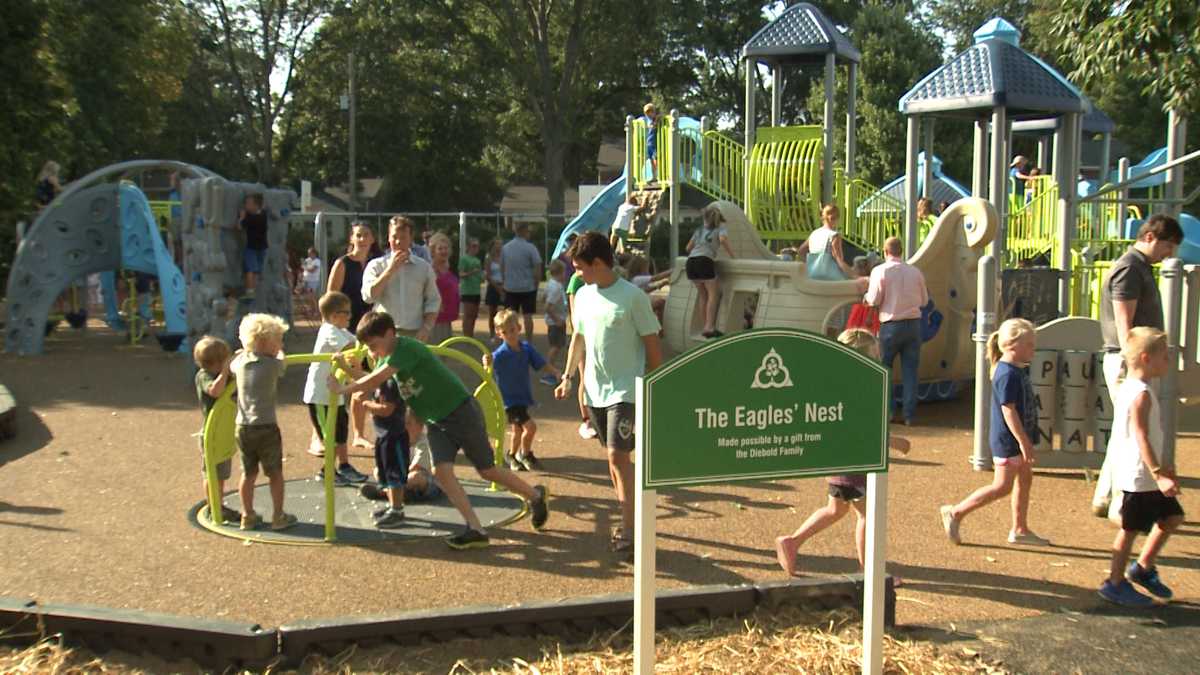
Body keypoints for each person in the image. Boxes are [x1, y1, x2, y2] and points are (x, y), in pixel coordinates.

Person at [335, 311, 550, 549]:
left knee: (487, 470)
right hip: (437, 420)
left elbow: (374, 380)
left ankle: (535, 496)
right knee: (442, 473)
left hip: (460, 412)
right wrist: (346, 370)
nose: (372, 352)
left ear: (389, 334)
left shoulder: (406, 349)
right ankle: (475, 529)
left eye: (374, 346)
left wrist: (342, 390)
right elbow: (375, 379)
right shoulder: (388, 360)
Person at [555, 232, 662, 556]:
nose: (577, 274)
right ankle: (629, 516)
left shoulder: (633, 297)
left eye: (580, 268)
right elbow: (579, 338)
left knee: (618, 456)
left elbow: (653, 348)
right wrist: (568, 377)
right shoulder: (585, 295)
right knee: (613, 460)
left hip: (627, 390)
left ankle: (629, 528)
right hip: (596, 392)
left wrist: (658, 390)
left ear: (599, 263)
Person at [775, 329, 910, 576]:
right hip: (854, 464)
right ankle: (868, 570)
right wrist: (894, 441)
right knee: (869, 515)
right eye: (875, 354)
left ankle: (792, 541)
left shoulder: (836, 383)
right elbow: (861, 427)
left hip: (839, 462)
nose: (879, 358)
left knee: (835, 510)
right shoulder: (859, 387)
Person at [1093, 214, 1183, 517]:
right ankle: (1118, 500)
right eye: (1167, 246)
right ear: (1150, 237)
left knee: (1125, 429)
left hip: (1132, 360)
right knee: (1131, 430)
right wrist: (1133, 365)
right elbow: (1123, 319)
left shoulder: (1138, 267)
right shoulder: (1131, 267)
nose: (1168, 253)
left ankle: (1105, 495)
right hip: (1128, 360)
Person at [940, 319, 1048, 546]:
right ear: (1011, 345)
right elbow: (1009, 411)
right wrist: (1023, 441)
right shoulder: (1007, 374)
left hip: (1019, 437)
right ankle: (956, 512)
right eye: (1029, 345)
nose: (1033, 349)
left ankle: (1020, 528)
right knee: (1002, 486)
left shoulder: (1015, 370)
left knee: (1025, 478)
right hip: (1009, 440)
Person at [1098, 327, 1184, 607]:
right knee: (1130, 529)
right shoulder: (1141, 394)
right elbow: (1141, 434)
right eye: (1165, 357)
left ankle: (1143, 567)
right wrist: (1159, 473)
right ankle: (1114, 581)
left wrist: (1162, 469)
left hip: (1146, 474)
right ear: (1147, 358)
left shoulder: (1137, 389)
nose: (1168, 362)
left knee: (1171, 518)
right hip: (1139, 476)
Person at [229, 313, 296, 531]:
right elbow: (282, 362)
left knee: (248, 473)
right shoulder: (272, 365)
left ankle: (247, 515)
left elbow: (232, 365)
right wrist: (281, 354)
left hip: (243, 426)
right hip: (266, 426)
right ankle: (278, 515)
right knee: (275, 473)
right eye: (278, 340)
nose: (281, 345)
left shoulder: (239, 362)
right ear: (263, 342)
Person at [301, 291, 369, 483]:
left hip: (334, 393)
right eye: (346, 313)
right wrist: (359, 357)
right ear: (333, 316)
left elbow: (358, 344)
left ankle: (344, 465)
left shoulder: (342, 331)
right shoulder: (329, 330)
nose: (350, 316)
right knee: (329, 434)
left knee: (340, 431)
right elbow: (350, 349)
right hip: (320, 395)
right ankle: (326, 471)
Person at [327, 222, 381, 451]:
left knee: (363, 381)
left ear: (372, 239)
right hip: (345, 328)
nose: (362, 239)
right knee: (334, 380)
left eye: (366, 235)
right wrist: (331, 330)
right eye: (358, 235)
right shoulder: (342, 263)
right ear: (352, 238)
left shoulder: (375, 264)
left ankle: (358, 434)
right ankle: (320, 435)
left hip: (367, 328)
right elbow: (331, 297)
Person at [864, 237, 929, 426]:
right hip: (914, 324)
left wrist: (866, 297)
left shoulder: (880, 271)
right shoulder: (915, 272)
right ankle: (909, 415)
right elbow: (924, 301)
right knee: (910, 371)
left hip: (890, 325)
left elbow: (874, 299)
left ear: (885, 251)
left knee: (884, 370)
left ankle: (889, 412)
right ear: (901, 251)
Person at [490, 308, 562, 472]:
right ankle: (525, 454)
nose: (510, 334)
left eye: (512, 330)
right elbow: (487, 369)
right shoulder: (499, 355)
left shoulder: (526, 349)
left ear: (519, 328)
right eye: (505, 332)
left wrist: (556, 372)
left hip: (522, 397)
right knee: (530, 427)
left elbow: (541, 364)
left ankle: (511, 454)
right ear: (499, 333)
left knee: (517, 430)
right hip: (508, 401)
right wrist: (487, 363)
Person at [361, 215, 440, 342]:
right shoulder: (376, 265)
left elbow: (433, 300)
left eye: (403, 237)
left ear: (411, 239)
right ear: (388, 237)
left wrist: (426, 328)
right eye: (394, 237)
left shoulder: (423, 267)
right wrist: (390, 269)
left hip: (414, 332)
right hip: (382, 332)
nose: (398, 242)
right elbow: (369, 297)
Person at [192, 336, 239, 522]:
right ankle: (213, 506)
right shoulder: (204, 375)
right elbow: (215, 391)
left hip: (224, 431)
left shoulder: (227, 375)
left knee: (221, 474)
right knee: (212, 473)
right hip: (211, 433)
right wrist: (225, 372)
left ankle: (218, 503)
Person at [686, 204, 735, 338]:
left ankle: (705, 326)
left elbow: (688, 247)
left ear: (705, 218)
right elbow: (723, 240)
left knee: (703, 294)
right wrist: (732, 256)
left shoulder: (699, 230)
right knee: (714, 294)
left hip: (691, 262)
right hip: (705, 261)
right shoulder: (721, 228)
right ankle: (709, 327)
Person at [565, 269, 597, 440]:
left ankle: (599, 418)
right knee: (585, 377)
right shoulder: (576, 280)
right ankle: (586, 421)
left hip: (600, 334)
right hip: (583, 334)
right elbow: (574, 313)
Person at [501, 222, 542, 339]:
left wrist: (504, 282)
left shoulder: (506, 248)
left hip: (510, 287)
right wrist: (536, 283)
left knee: (509, 317)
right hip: (528, 287)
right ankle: (529, 340)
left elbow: (502, 267)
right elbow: (537, 266)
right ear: (524, 231)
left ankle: (510, 339)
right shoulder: (530, 248)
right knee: (527, 316)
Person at [796, 204, 853, 280]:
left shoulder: (814, 234)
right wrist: (854, 275)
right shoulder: (834, 235)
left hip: (812, 275)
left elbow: (800, 251)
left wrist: (808, 266)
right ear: (835, 218)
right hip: (831, 278)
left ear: (823, 218)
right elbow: (839, 261)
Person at [429, 232, 459, 344]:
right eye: (440, 248)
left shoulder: (448, 267)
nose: (444, 251)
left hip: (447, 318)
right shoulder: (431, 270)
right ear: (433, 251)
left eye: (446, 248)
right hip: (435, 319)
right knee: (437, 353)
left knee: (446, 353)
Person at [542, 260, 569, 383]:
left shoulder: (550, 284)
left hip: (554, 321)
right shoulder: (556, 287)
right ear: (560, 272)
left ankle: (550, 370)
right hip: (555, 323)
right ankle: (548, 372)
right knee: (555, 347)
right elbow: (548, 306)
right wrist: (557, 320)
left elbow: (543, 299)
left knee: (557, 346)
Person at [238, 194, 268, 297]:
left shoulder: (250, 218)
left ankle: (250, 291)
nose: (246, 206)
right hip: (263, 247)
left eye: (248, 204)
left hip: (251, 247)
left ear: (255, 205)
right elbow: (263, 207)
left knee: (250, 270)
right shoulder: (263, 214)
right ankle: (254, 290)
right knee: (257, 270)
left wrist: (241, 217)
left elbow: (239, 227)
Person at [459, 237, 483, 340]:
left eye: (477, 246)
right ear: (468, 247)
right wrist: (471, 272)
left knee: (474, 314)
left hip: (476, 290)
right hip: (467, 290)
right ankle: (466, 336)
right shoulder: (464, 259)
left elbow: (479, 275)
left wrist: (481, 278)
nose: (475, 248)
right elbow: (461, 274)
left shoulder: (477, 260)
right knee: (467, 314)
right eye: (473, 246)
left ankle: (471, 335)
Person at [484, 238, 505, 341]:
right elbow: (487, 275)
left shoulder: (504, 257)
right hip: (493, 286)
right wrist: (497, 287)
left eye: (500, 244)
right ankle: (492, 334)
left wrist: (503, 287)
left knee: (505, 312)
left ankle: (504, 333)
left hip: (504, 285)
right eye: (497, 244)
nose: (499, 246)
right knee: (492, 312)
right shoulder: (489, 258)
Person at [642, 103, 659, 182]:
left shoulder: (657, 119)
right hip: (649, 142)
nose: (648, 115)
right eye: (646, 113)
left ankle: (658, 175)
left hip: (655, 142)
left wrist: (655, 122)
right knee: (652, 160)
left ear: (653, 112)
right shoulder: (648, 121)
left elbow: (659, 119)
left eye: (650, 113)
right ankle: (654, 176)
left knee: (656, 159)